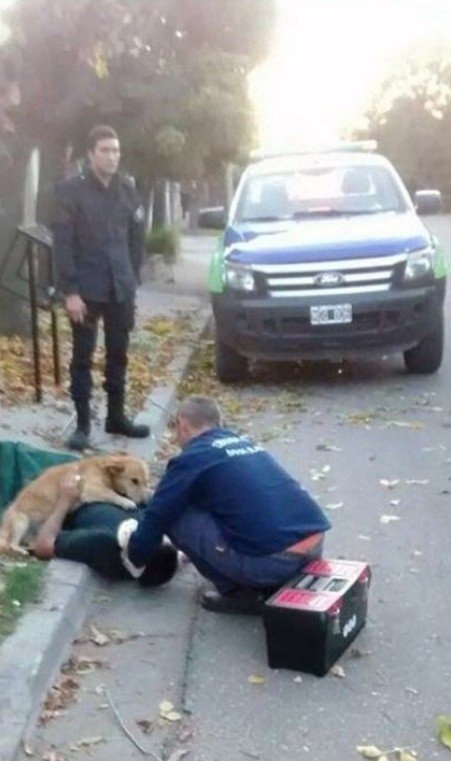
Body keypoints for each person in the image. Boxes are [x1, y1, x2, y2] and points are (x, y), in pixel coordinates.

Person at [121, 396, 331, 615]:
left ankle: (239, 592)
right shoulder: (244, 443)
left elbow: (158, 514)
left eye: (176, 431)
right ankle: (261, 577)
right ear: (218, 422)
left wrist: (136, 556)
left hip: (276, 563)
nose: (176, 438)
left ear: (182, 425)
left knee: (175, 513)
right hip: (313, 548)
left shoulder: (192, 458)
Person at [53, 125, 150, 451]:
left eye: (116, 150)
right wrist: (70, 292)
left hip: (120, 287)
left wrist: (133, 277)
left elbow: (137, 237)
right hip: (86, 290)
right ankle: (82, 424)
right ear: (91, 154)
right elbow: (62, 245)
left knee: (118, 355)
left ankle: (116, 417)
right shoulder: (71, 192)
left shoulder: (126, 189)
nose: (112, 157)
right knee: (82, 358)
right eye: (105, 150)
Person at [30, 473, 178, 587]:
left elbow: (44, 545)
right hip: (109, 488)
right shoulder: (150, 547)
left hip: (75, 497)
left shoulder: (103, 543)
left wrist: (65, 499)